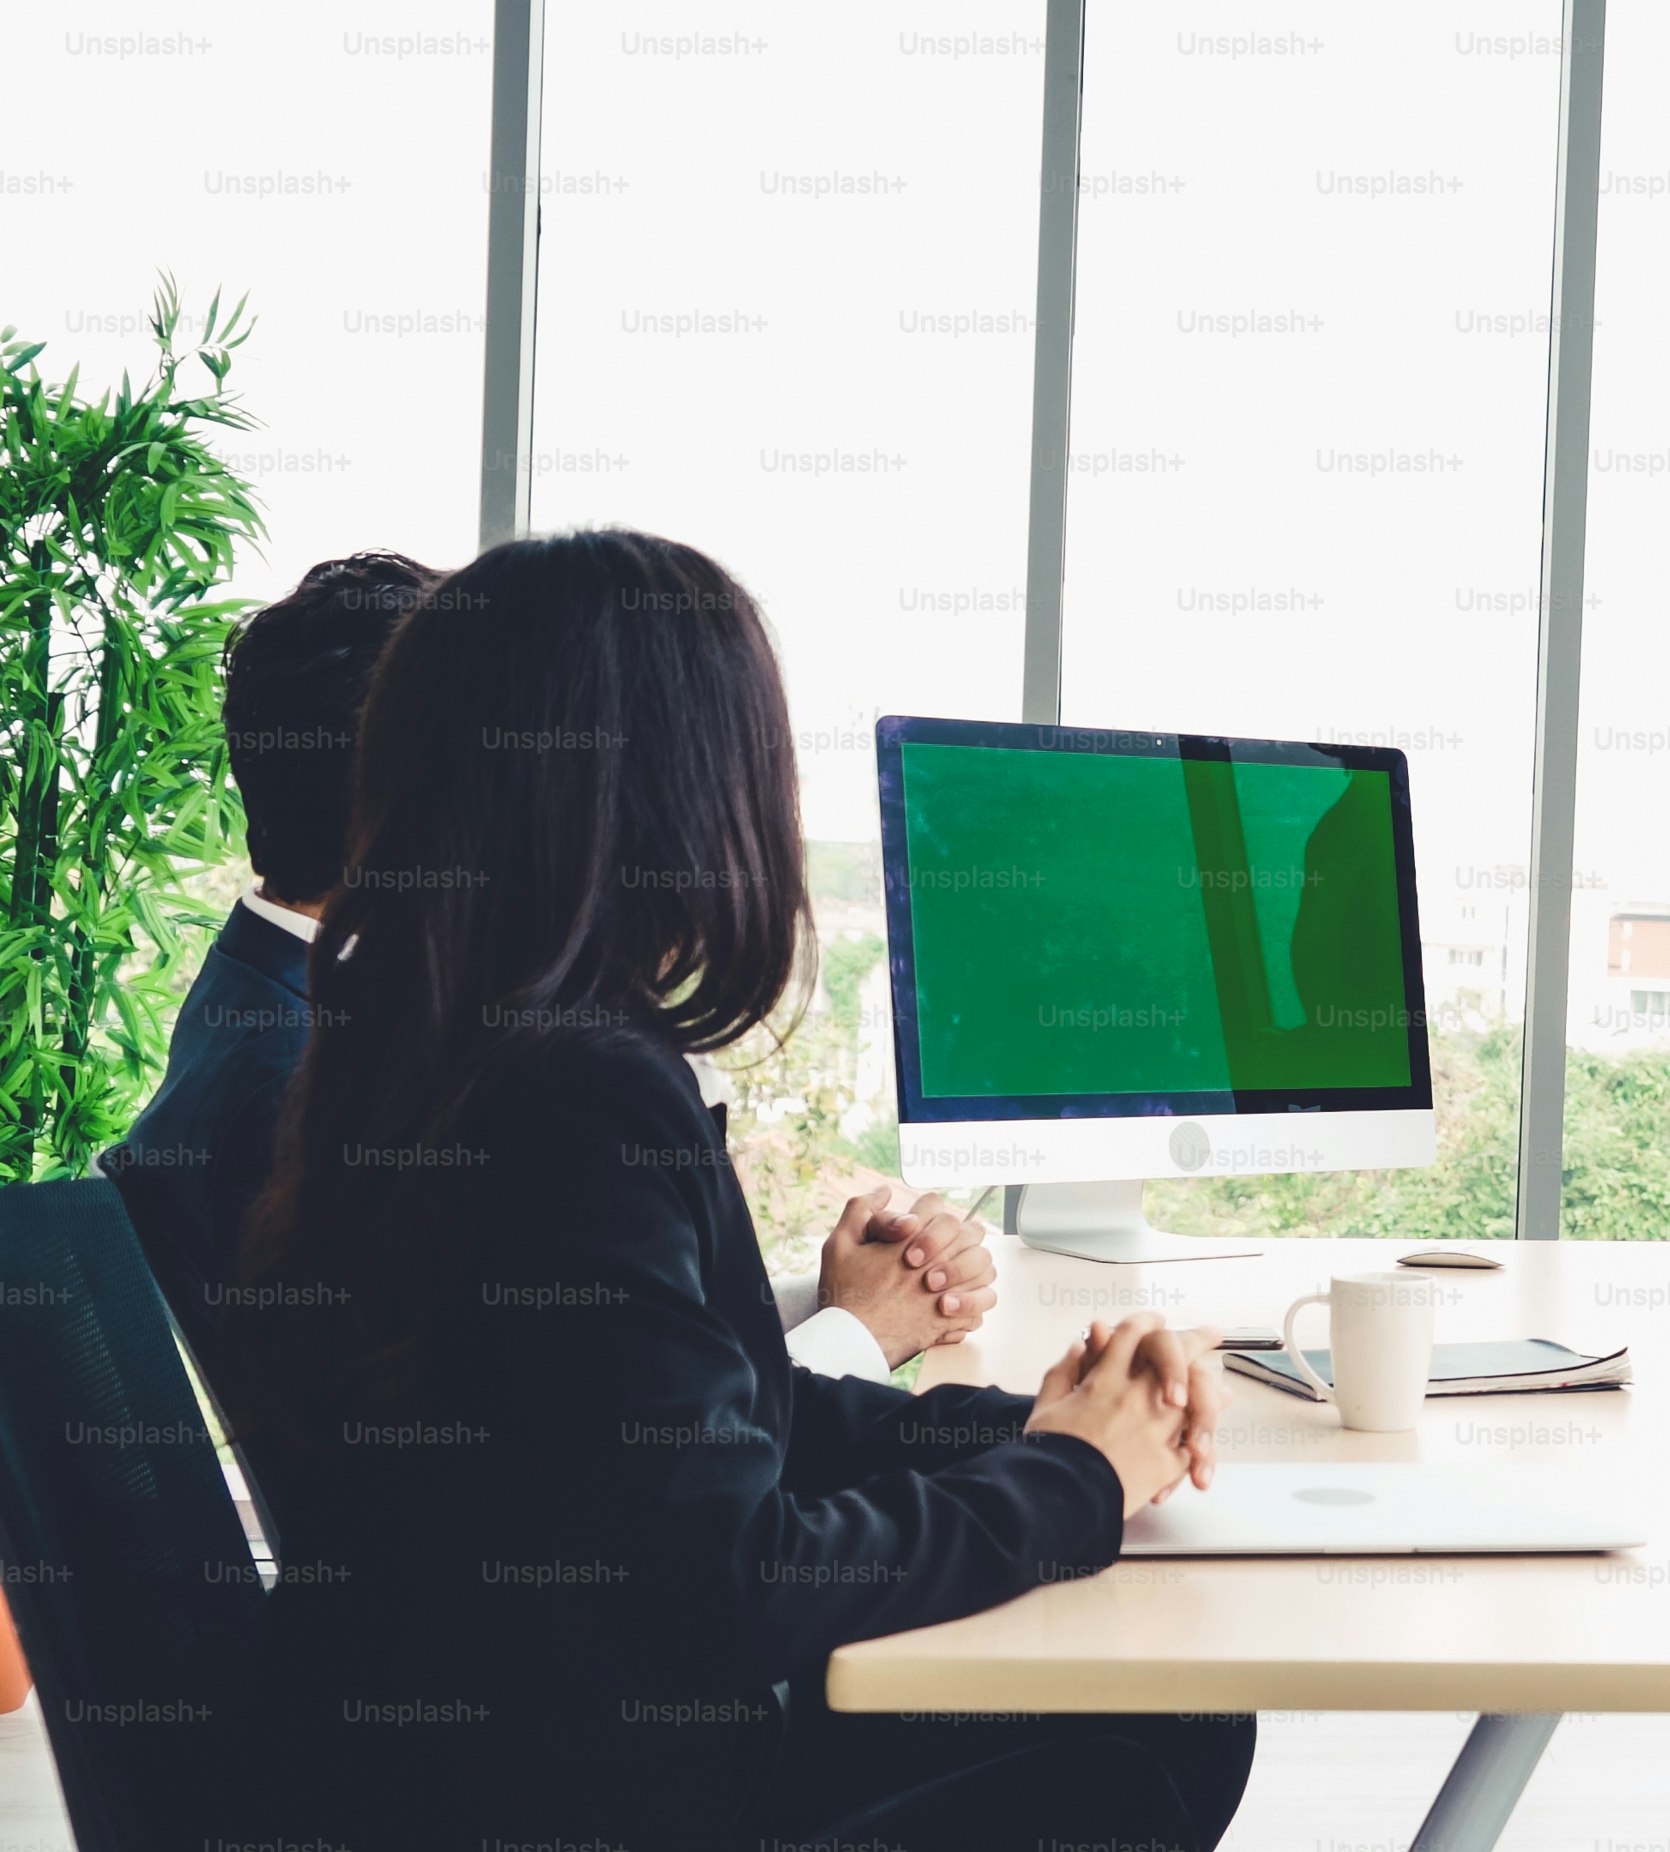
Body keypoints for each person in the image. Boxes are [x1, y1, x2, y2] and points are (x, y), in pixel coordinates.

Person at [214, 531, 1252, 1852]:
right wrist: (1074, 1484)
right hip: (584, 1792)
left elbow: (694, 1426)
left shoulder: (435, 1039)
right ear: (680, 788)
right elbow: (727, 1576)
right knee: (1147, 1738)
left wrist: (1020, 1429)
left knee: (1167, 1715)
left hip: (485, 1764)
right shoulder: (574, 1093)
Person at [110, 551, 990, 1396]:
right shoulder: (307, 1084)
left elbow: (567, 1359)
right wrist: (861, 1334)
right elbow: (575, 1471)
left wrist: (839, 1301)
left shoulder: (267, 1005)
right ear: (422, 793)